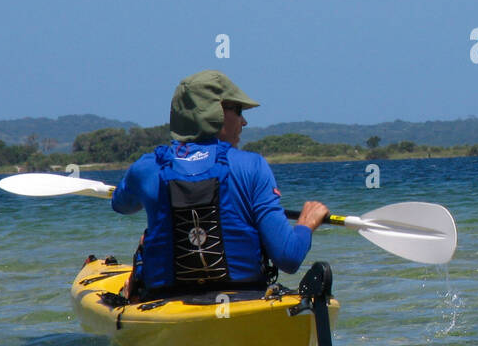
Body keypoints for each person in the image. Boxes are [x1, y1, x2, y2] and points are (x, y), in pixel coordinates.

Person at [111, 70, 329, 301]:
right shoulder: (253, 166)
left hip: (166, 302)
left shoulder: (147, 168)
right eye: (238, 111)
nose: (244, 121)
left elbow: (120, 205)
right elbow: (288, 257)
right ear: (216, 113)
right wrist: (306, 223)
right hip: (244, 300)